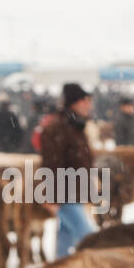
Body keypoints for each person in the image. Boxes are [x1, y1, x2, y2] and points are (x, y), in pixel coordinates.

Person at [39, 83, 97, 258]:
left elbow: (83, 159)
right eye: (85, 101)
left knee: (66, 236)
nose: (89, 105)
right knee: (88, 240)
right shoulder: (56, 128)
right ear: (74, 103)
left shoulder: (77, 127)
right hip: (64, 194)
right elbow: (51, 164)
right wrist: (50, 195)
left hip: (76, 191)